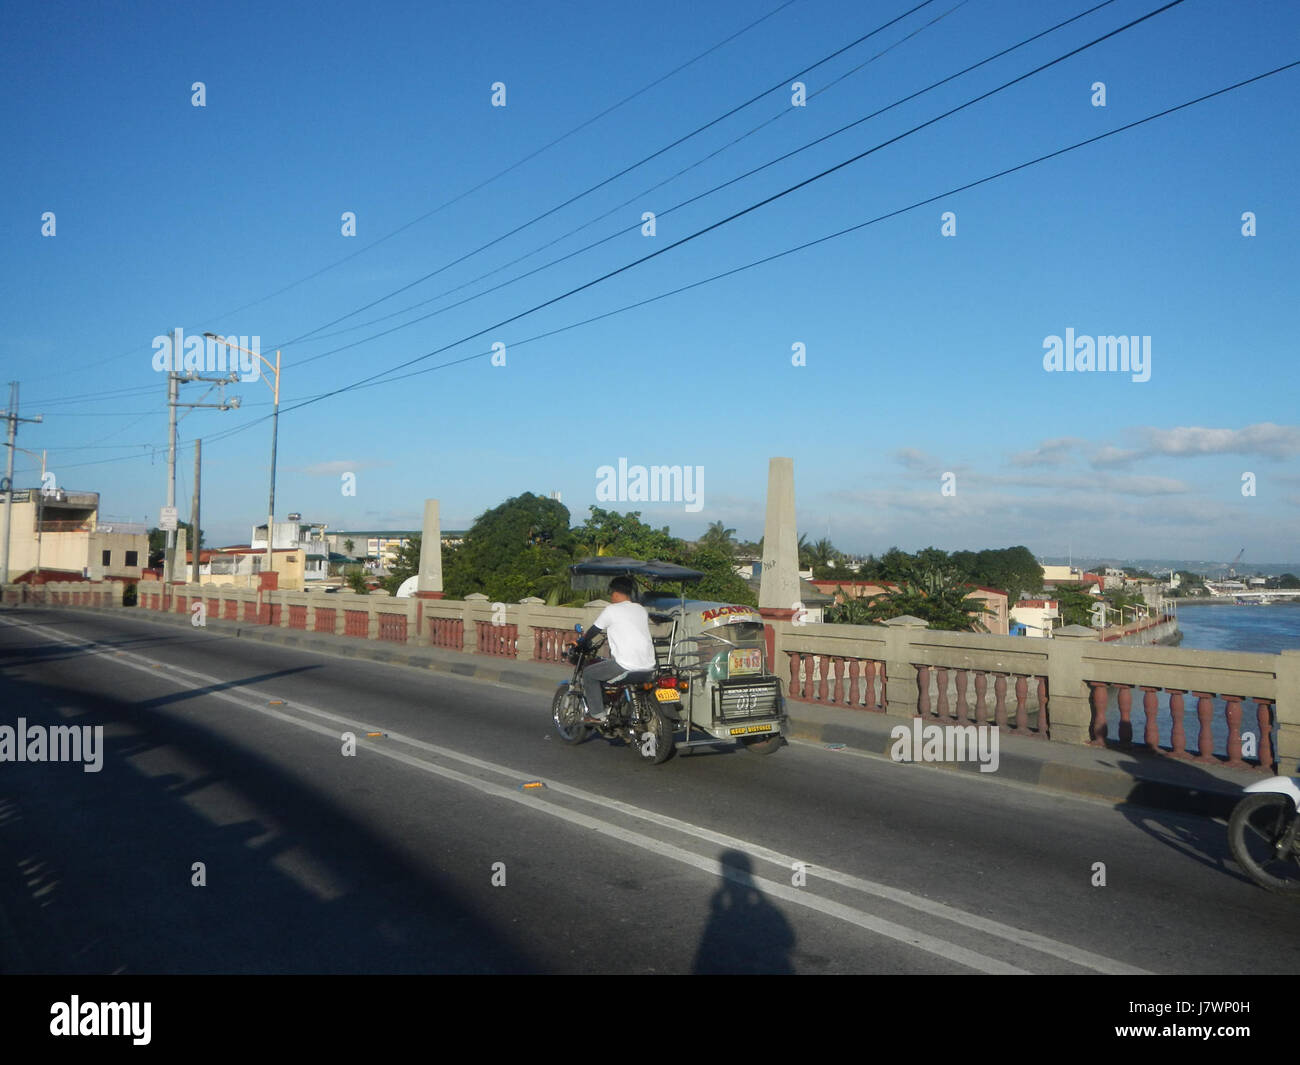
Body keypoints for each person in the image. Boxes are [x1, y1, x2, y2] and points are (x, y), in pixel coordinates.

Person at [574, 575, 657, 722]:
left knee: (589, 674)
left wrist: (581, 642)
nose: (611, 597)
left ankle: (597, 715)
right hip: (649, 664)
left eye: (611, 593)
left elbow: (593, 631)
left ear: (616, 593)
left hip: (625, 664)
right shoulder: (641, 610)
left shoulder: (611, 610)